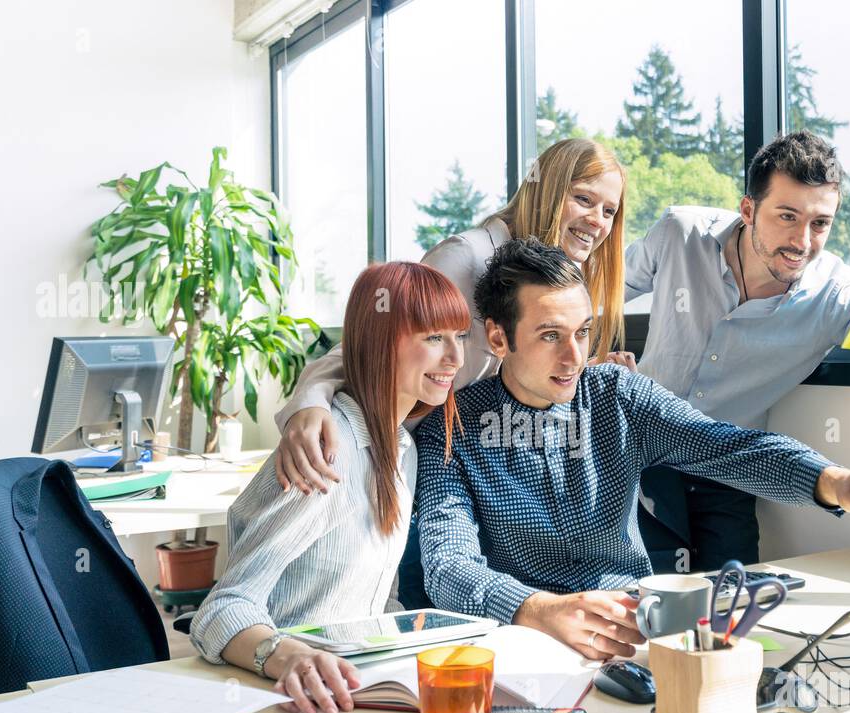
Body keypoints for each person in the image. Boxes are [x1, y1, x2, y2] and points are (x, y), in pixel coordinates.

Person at [413, 238, 850, 661]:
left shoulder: (620, 395)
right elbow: (446, 563)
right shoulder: (449, 430)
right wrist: (537, 608)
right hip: (530, 646)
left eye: (582, 332)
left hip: (638, 634)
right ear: (498, 337)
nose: (575, 357)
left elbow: (730, 446)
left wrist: (833, 482)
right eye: (550, 336)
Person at [271, 137, 633, 497]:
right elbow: (369, 345)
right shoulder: (466, 258)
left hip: (449, 468)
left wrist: (588, 370)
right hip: (370, 459)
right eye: (584, 199)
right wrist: (310, 404)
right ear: (547, 190)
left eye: (608, 211)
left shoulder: (560, 279)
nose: (597, 221)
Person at [189, 261, 470, 713]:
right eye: (434, 338)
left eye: (460, 337)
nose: (455, 359)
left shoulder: (403, 449)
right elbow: (222, 609)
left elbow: (372, 600)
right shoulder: (326, 451)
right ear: (381, 342)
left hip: (350, 694)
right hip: (282, 700)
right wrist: (290, 656)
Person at [626, 130, 850, 573]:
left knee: (734, 605)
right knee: (642, 597)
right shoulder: (679, 233)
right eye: (787, 217)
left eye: (820, 223)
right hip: (644, 457)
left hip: (730, 469)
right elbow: (594, 293)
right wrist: (592, 356)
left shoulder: (836, 296)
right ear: (748, 210)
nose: (802, 241)